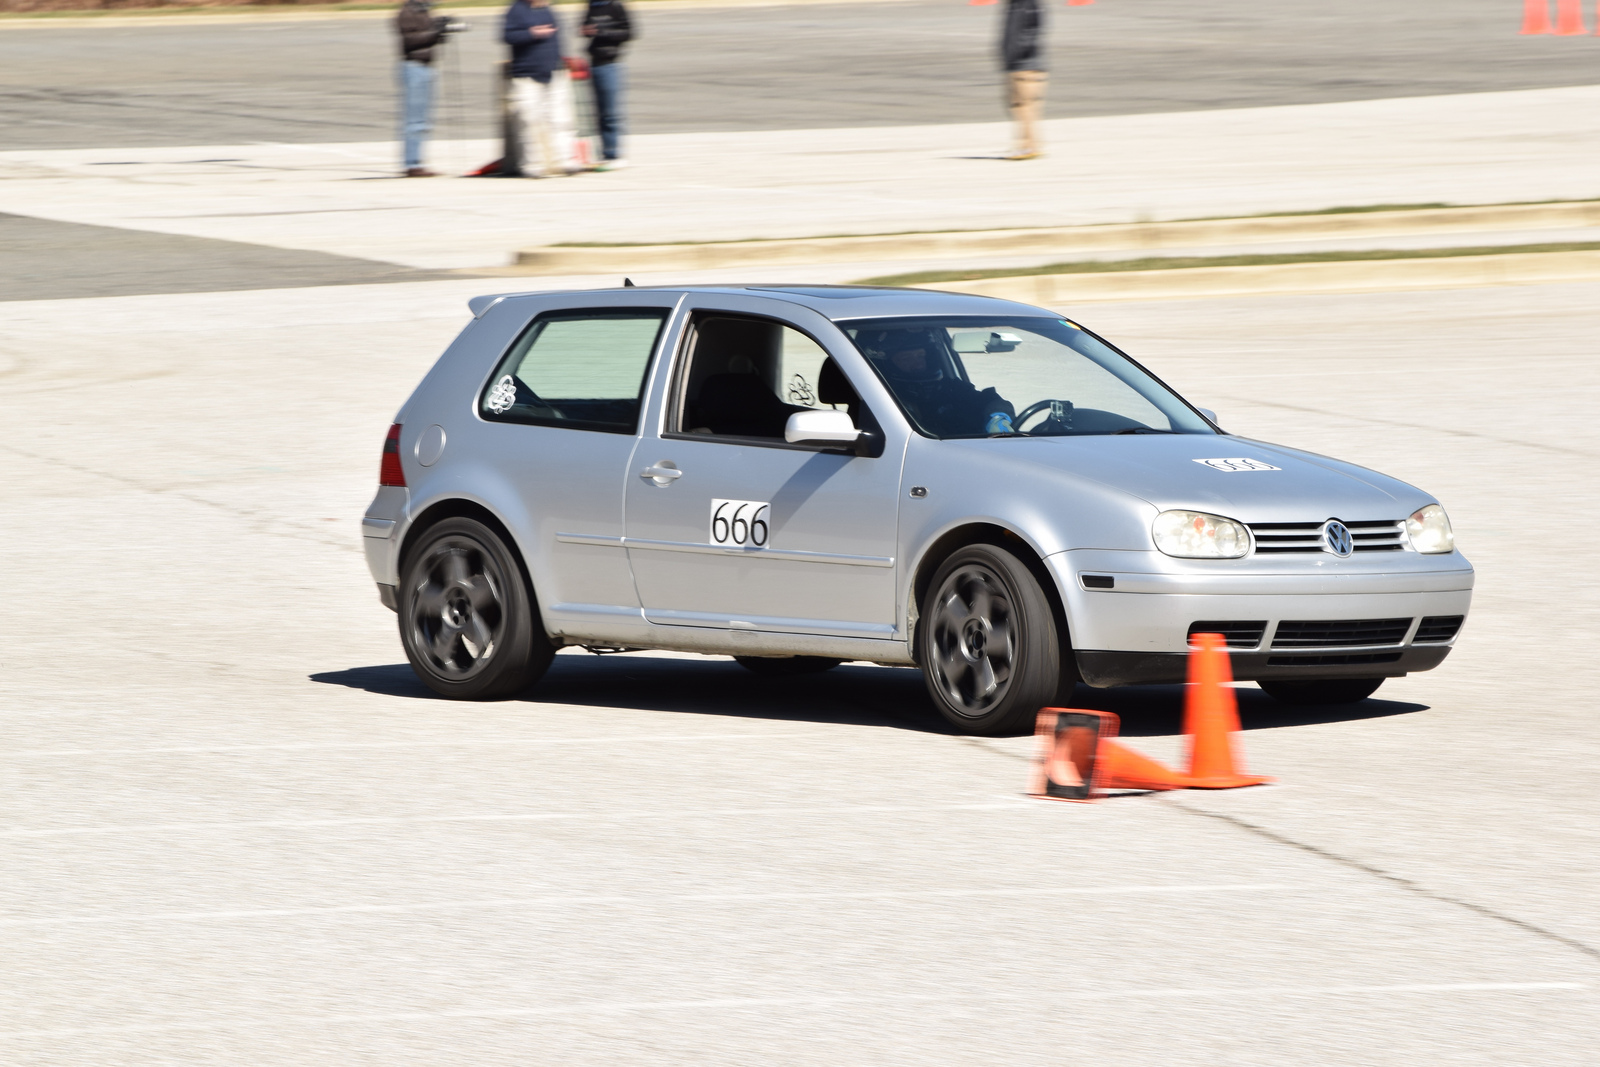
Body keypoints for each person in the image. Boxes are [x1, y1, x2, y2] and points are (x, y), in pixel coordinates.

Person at [503, 0, 580, 177]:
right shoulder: (516, 9)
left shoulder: (549, 10)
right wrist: (531, 33)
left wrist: (564, 59)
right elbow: (507, 36)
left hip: (554, 73)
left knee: (560, 119)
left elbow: (558, 39)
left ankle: (565, 160)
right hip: (527, 75)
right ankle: (532, 164)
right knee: (529, 120)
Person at [395, 0, 451, 177]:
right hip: (414, 68)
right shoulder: (407, 13)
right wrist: (434, 32)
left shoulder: (423, 11)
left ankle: (416, 160)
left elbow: (428, 38)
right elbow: (410, 40)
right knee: (415, 120)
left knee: (423, 119)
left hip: (426, 66)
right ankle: (412, 164)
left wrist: (442, 30)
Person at [581, 0, 633, 170]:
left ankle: (614, 153)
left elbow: (628, 33)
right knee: (599, 112)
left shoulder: (615, 6)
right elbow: (584, 27)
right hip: (594, 63)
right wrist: (585, 31)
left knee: (610, 112)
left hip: (610, 63)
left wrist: (603, 32)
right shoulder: (591, 6)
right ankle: (604, 152)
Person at [1000, 0, 1047, 161]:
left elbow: (1014, 36)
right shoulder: (1035, 5)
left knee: (1021, 105)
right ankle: (1031, 144)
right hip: (1034, 63)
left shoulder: (1020, 6)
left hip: (1022, 65)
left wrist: (1011, 61)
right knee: (1028, 107)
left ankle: (1028, 147)